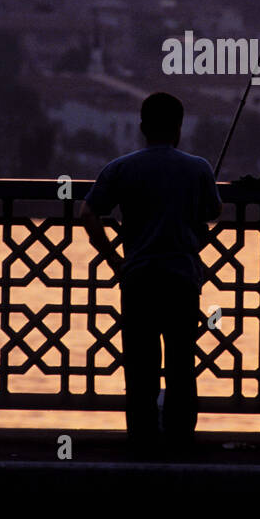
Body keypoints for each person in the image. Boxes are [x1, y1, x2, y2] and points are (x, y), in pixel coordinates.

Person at [79, 92, 223, 454]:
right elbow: (212, 211)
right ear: (179, 127)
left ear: (142, 127)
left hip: (138, 278)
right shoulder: (199, 168)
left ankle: (141, 438)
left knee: (141, 366)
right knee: (180, 362)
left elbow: (87, 213)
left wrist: (114, 261)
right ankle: (179, 439)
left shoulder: (121, 168)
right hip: (182, 279)